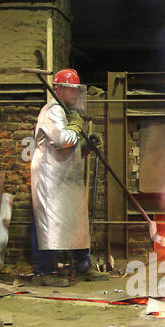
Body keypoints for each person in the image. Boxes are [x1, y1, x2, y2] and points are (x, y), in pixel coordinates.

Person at [29, 68, 107, 287]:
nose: (74, 94)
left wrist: (87, 145)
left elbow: (72, 151)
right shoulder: (53, 110)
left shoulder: (66, 110)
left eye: (76, 90)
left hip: (67, 177)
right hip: (50, 178)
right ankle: (44, 270)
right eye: (70, 90)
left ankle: (82, 265)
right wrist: (75, 126)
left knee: (77, 221)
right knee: (48, 224)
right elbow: (62, 141)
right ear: (59, 90)